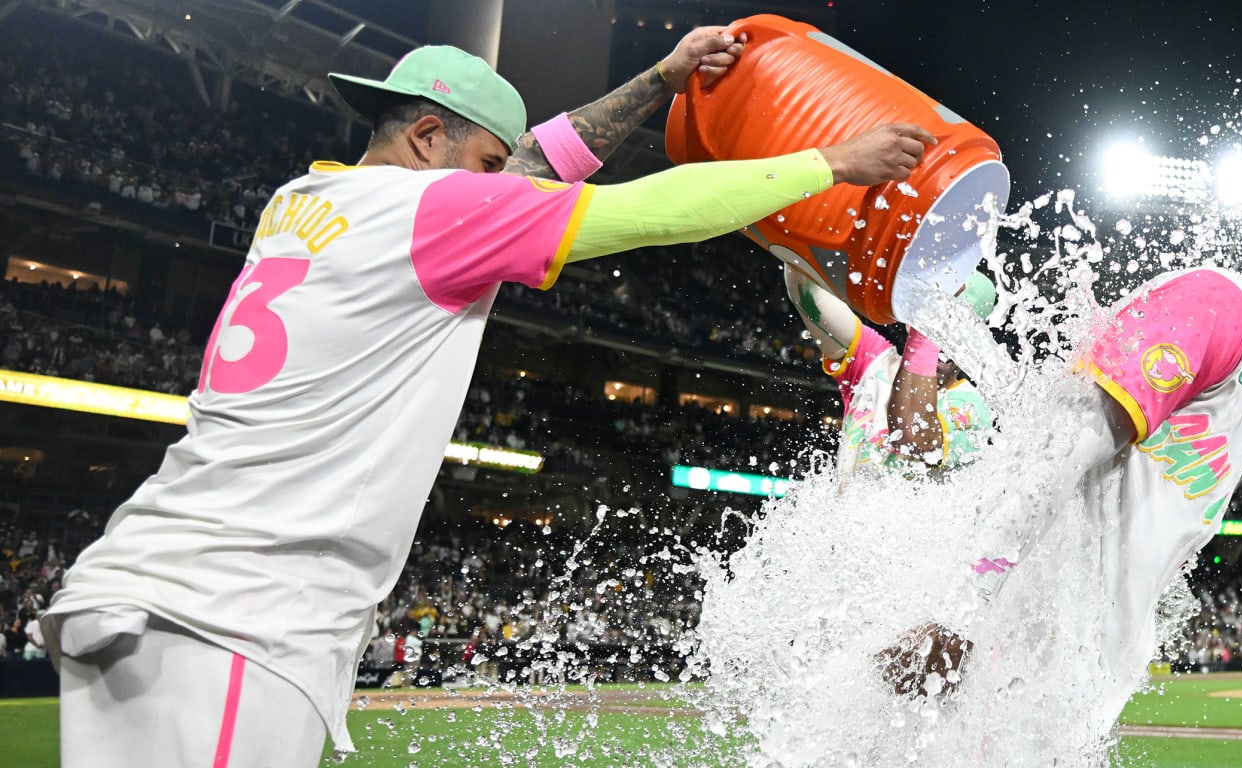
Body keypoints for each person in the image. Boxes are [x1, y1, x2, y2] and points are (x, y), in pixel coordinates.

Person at [42, 30, 937, 767]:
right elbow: (656, 210)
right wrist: (832, 160)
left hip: (142, 587)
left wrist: (656, 82)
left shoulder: (304, 200)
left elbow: (531, 167)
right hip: (231, 618)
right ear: (428, 137)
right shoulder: (434, 213)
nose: (497, 183)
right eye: (481, 160)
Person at [881, 194, 1242, 725]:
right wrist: (961, 614)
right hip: (995, 668)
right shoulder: (1218, 308)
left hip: (1062, 698)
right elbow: (1056, 456)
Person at [784, 266, 996, 475]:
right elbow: (804, 287)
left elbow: (914, 438)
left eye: (956, 337)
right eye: (938, 331)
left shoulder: (972, 406)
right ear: (909, 323)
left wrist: (928, 329)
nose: (943, 347)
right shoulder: (873, 362)